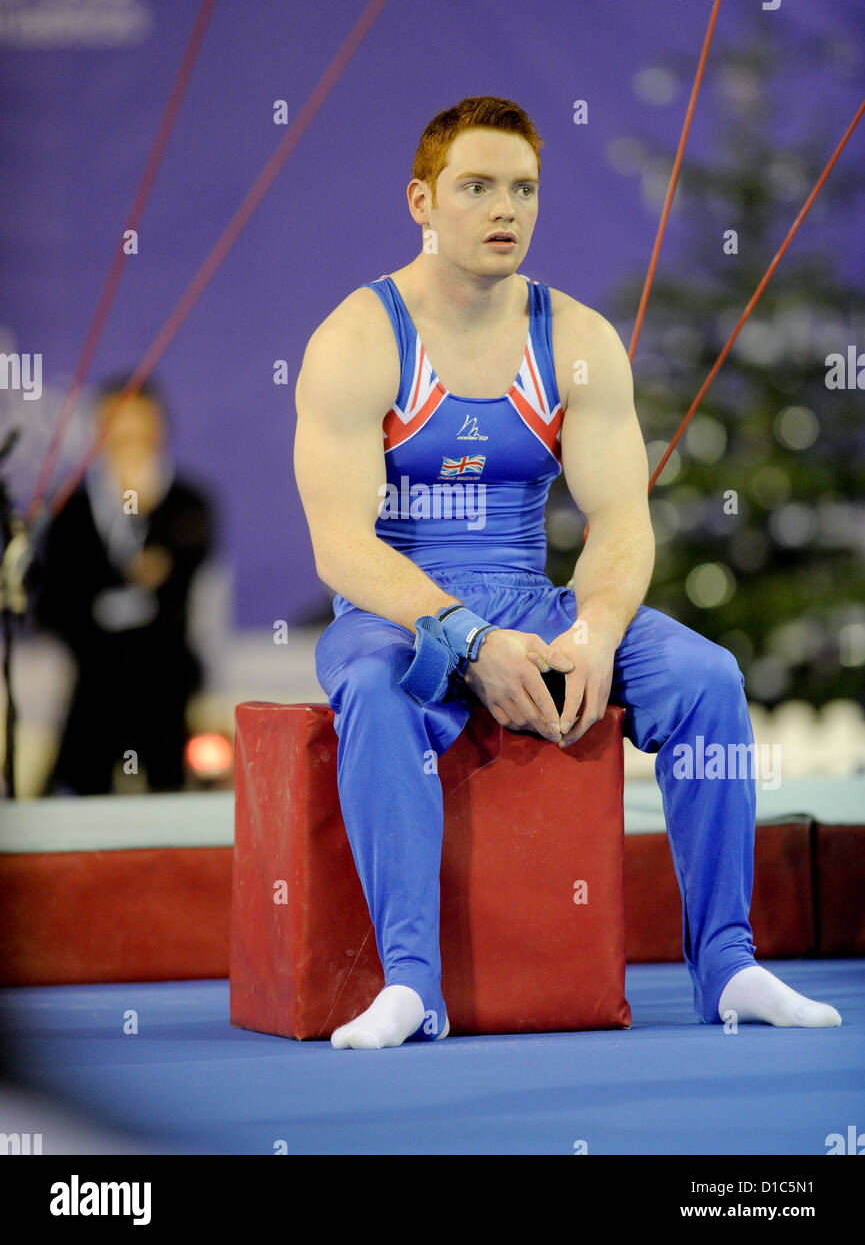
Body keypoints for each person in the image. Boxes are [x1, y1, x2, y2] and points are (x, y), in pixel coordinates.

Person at [294, 95, 841, 1048]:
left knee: (708, 678)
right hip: (397, 609)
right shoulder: (358, 339)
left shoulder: (576, 342)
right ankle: (412, 984)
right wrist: (463, 638)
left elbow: (622, 522)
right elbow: (341, 546)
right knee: (379, 693)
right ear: (420, 200)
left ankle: (727, 963)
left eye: (522, 189)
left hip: (534, 595)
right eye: (475, 187)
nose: (503, 208)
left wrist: (589, 629)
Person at [34, 378, 214, 795]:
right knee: (78, 782)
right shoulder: (71, 511)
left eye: (139, 422)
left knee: (168, 782)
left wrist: (144, 519)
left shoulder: (187, 503)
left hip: (165, 675)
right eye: (117, 423)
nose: (129, 435)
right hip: (94, 676)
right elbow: (58, 598)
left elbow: (182, 575)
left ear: (159, 428)